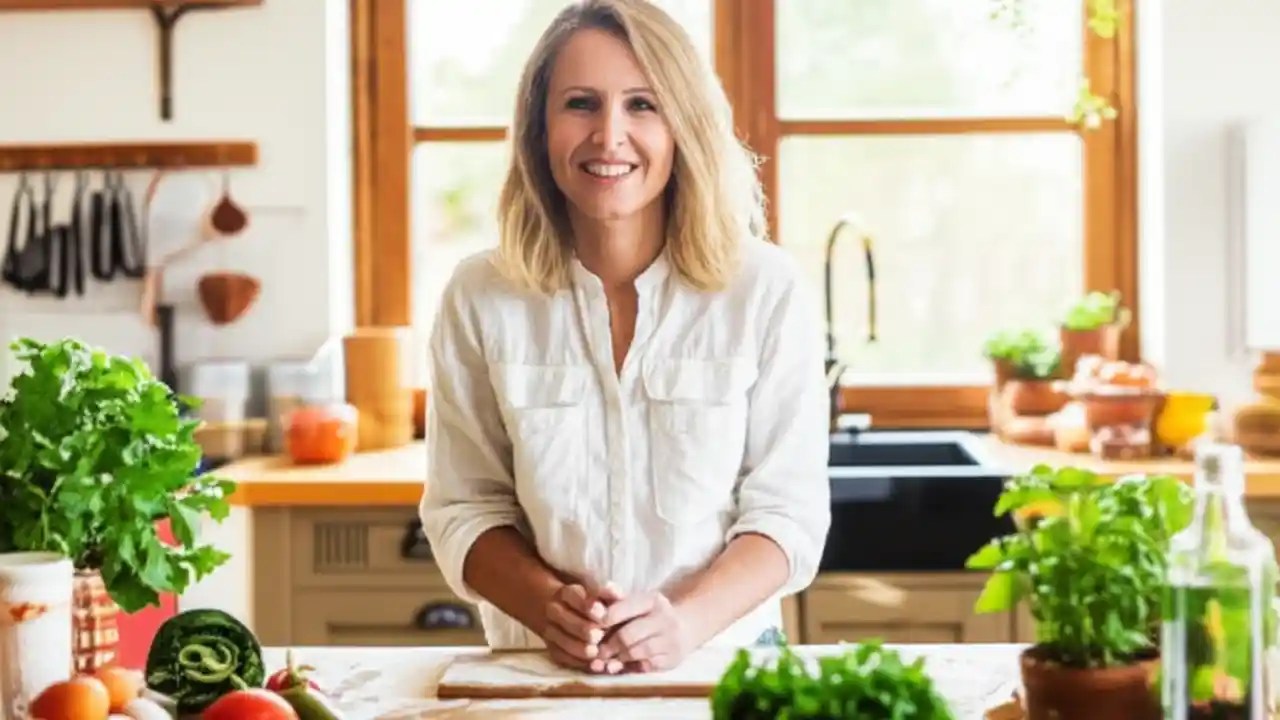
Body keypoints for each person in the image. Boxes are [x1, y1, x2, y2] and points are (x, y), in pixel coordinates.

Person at [419, 0, 830, 675]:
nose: (609, 137)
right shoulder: (480, 296)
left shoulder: (764, 289)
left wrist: (684, 622)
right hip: (536, 681)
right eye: (580, 103)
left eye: (643, 105)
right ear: (537, 129)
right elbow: (464, 507)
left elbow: (789, 515)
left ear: (683, 127)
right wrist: (547, 604)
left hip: (719, 675)